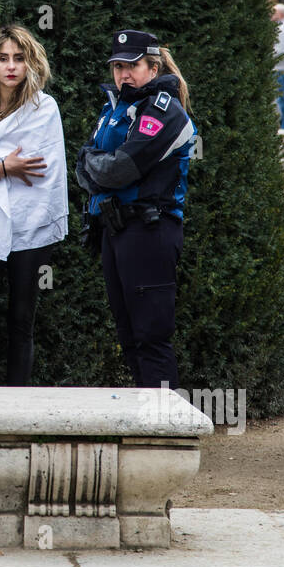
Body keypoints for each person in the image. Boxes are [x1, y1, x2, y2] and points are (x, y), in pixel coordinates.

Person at [76, 29, 195, 390]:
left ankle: (165, 434)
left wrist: (94, 164)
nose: (123, 74)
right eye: (117, 66)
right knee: (128, 335)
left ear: (153, 66)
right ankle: (147, 424)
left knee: (151, 337)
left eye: (132, 66)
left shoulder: (164, 110)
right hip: (117, 232)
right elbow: (85, 166)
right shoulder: (114, 106)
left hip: (150, 231)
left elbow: (117, 168)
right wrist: (95, 165)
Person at [0, 23, 68, 385]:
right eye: (2, 58)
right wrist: (5, 166)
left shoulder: (43, 109)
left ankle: (20, 406)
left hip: (30, 223)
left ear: (30, 63)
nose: (10, 66)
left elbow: (44, 170)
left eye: (18, 59)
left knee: (23, 319)